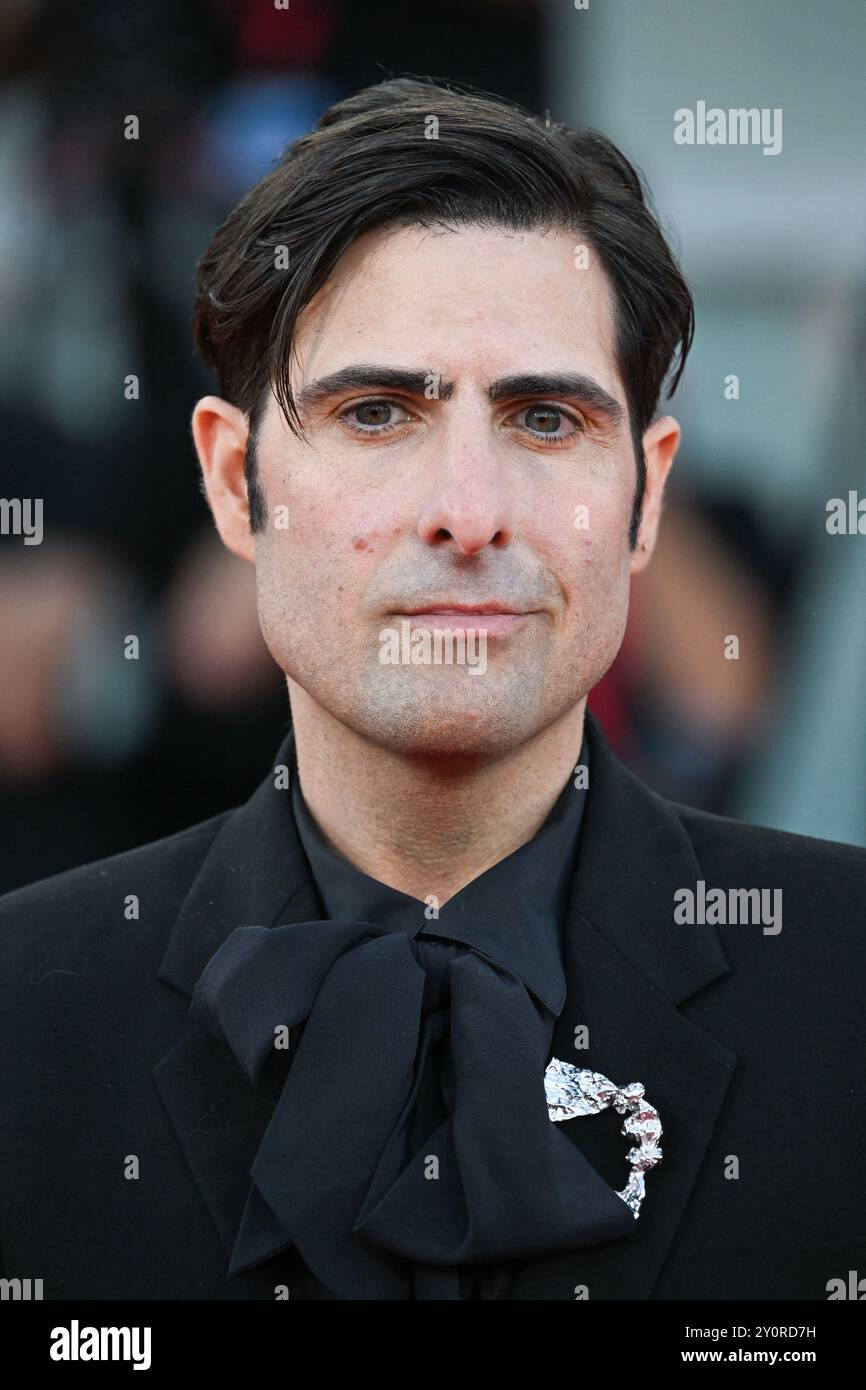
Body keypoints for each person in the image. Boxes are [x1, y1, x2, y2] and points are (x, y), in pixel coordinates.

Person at [1, 76, 864, 1302]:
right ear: (235, 480)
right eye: (375, 412)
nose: (467, 512)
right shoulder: (20, 1020)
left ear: (645, 495)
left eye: (546, 419)